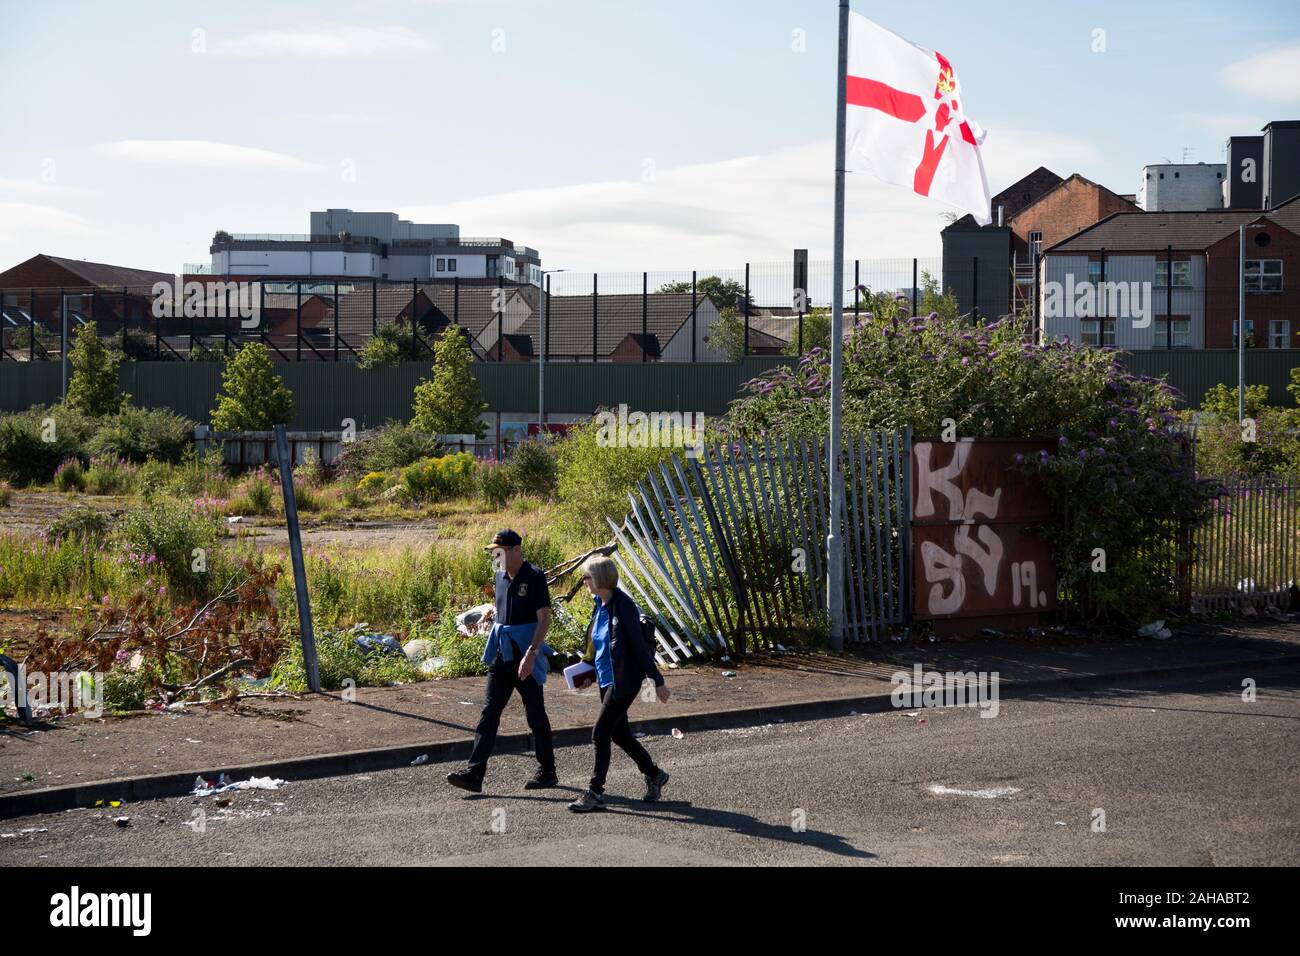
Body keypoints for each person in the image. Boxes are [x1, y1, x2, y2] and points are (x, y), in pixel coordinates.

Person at [447, 529, 557, 793]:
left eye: (500, 551)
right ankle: (475, 774)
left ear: (516, 550)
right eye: (493, 551)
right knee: (490, 712)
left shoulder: (534, 576)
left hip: (525, 652)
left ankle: (548, 771)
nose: (495, 555)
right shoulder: (499, 576)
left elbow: (544, 619)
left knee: (535, 713)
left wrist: (531, 655)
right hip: (502, 653)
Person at [568, 555, 671, 813]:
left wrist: (657, 680)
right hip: (605, 677)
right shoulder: (599, 604)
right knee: (620, 734)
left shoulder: (623, 606)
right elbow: (597, 645)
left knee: (600, 733)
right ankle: (654, 774)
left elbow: (637, 647)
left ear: (601, 578)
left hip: (624, 681)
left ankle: (595, 792)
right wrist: (587, 672)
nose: (584, 581)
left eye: (587, 577)